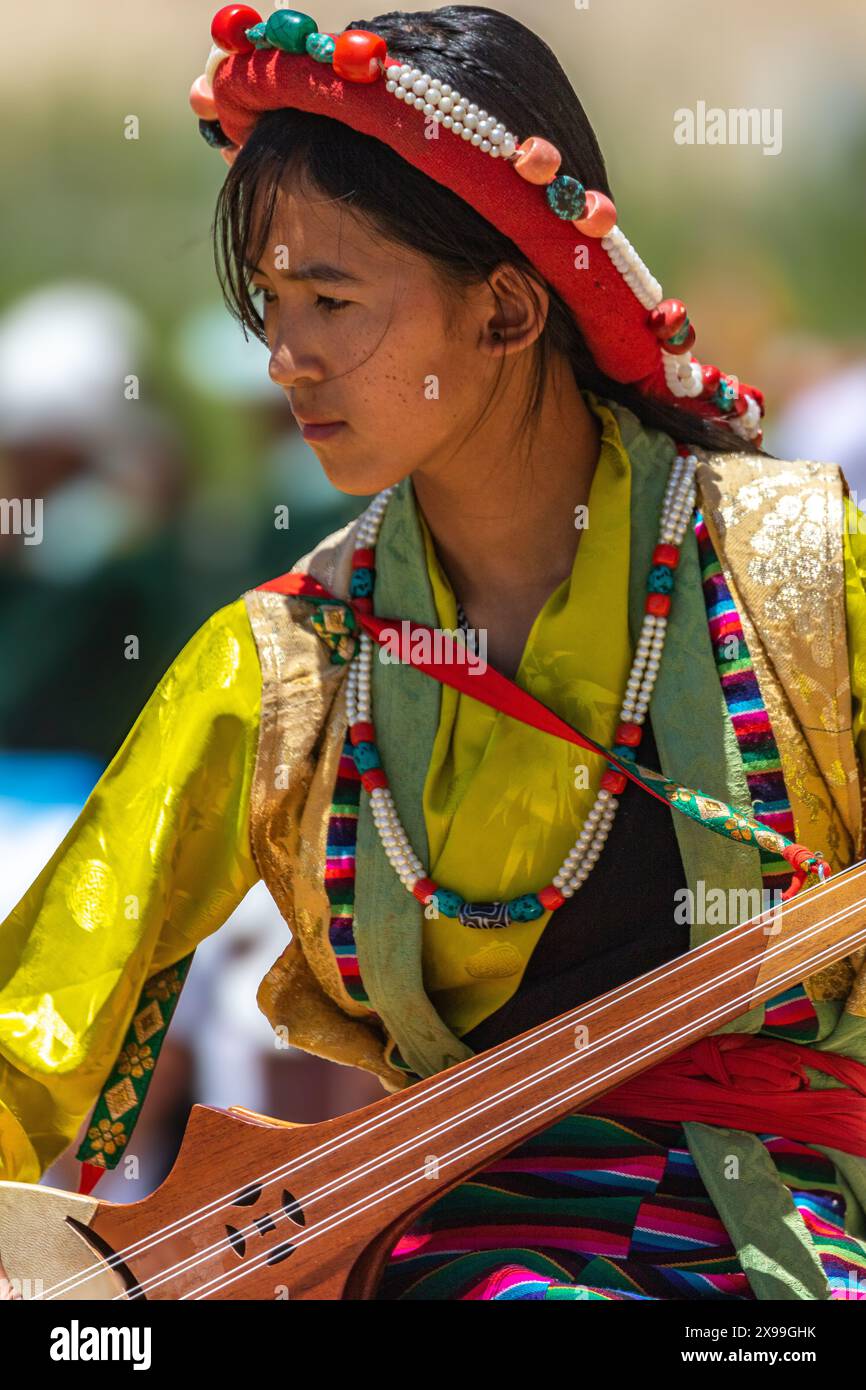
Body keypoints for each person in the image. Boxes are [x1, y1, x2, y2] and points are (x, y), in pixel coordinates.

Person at [2, 4, 866, 1302]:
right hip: (441, 1246)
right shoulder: (284, 662)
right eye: (271, 306)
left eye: (332, 302)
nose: (285, 358)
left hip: (793, 1239)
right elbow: (35, 1030)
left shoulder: (796, 568)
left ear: (507, 312)